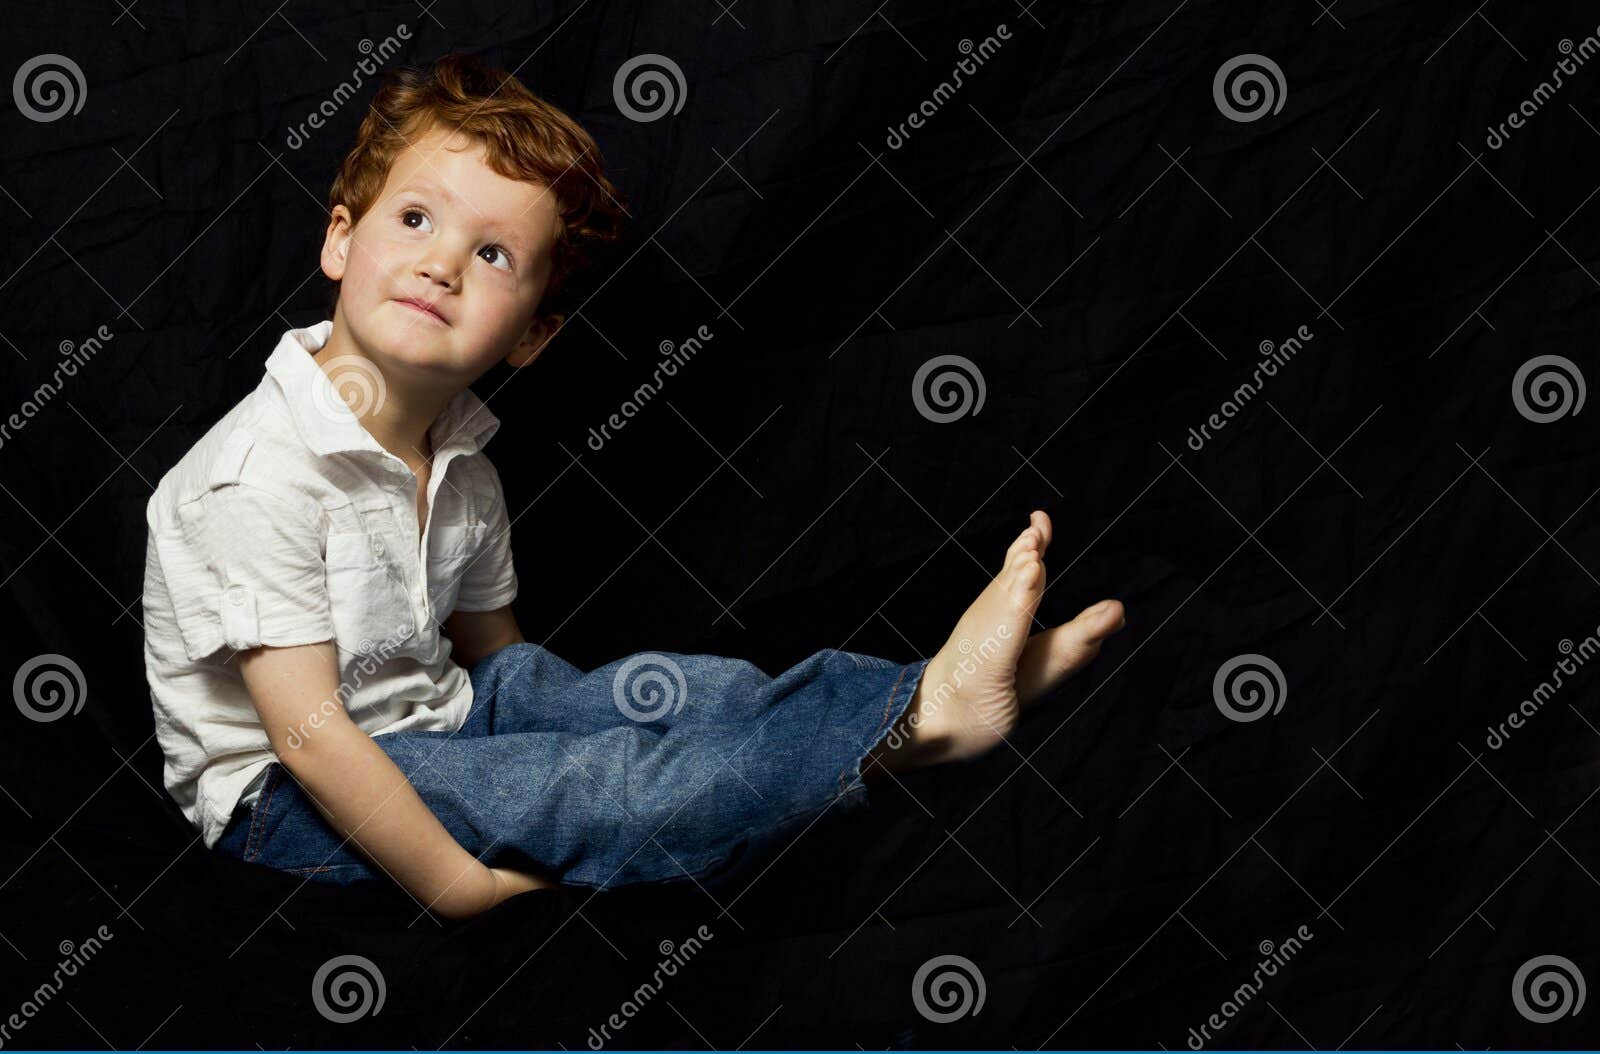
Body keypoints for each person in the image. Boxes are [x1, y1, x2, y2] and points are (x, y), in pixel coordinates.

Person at [141, 52, 1126, 920]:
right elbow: (312, 738)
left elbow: (502, 660)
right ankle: (911, 727)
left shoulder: (462, 460)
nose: (441, 263)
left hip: (437, 716)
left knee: (633, 693)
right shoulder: (256, 476)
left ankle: (915, 705)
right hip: (283, 796)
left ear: (531, 334)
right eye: (413, 218)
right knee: (583, 782)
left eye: (492, 254)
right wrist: (459, 881)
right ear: (341, 241)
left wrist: (593, 709)